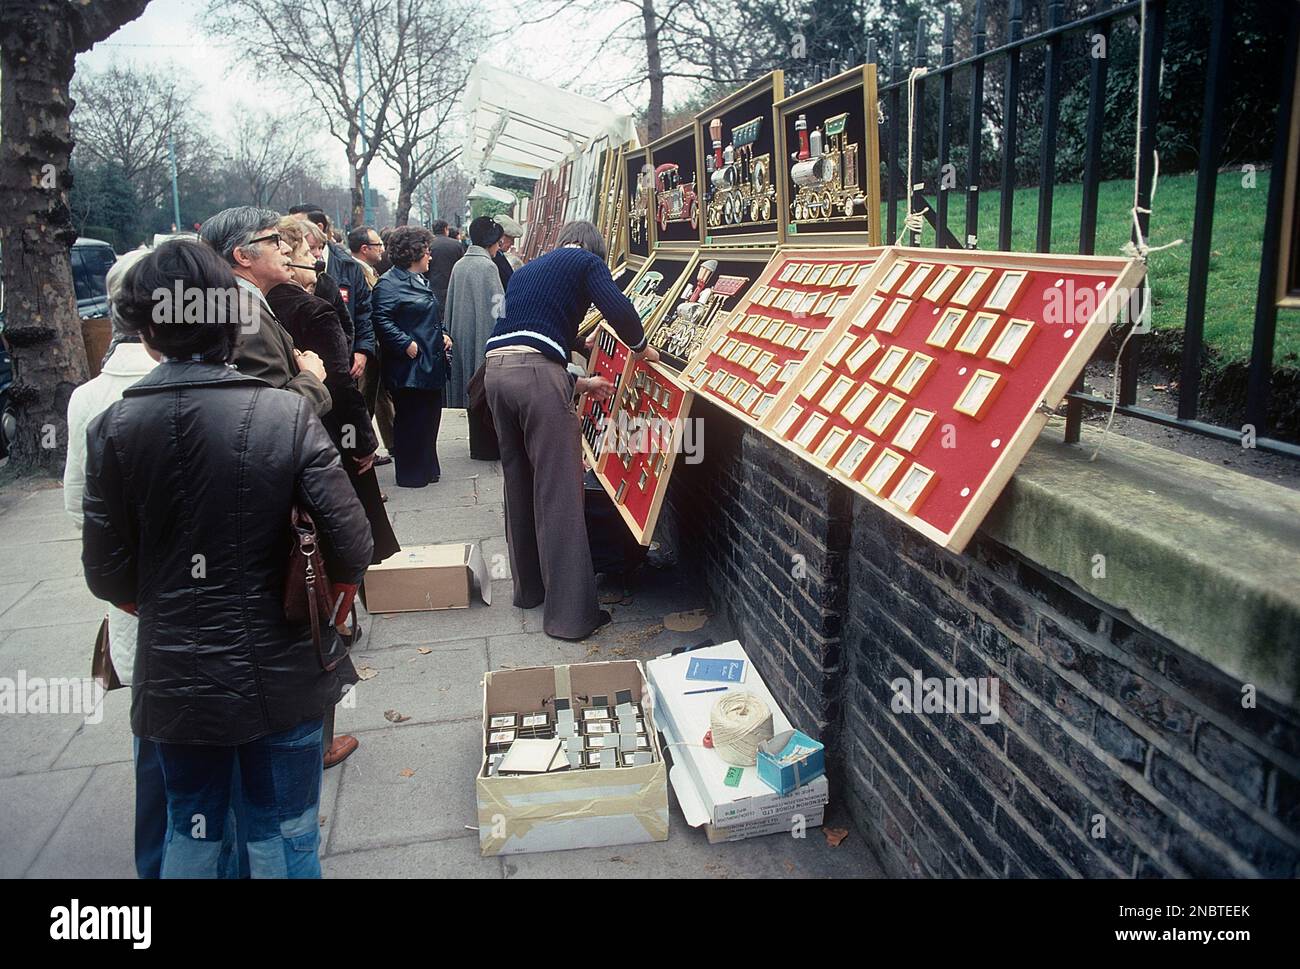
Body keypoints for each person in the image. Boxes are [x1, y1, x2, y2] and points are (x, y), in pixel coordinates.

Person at [81, 240, 372, 878]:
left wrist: (163, 604)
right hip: (283, 664)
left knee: (192, 826)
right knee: (285, 827)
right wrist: (336, 594)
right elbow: (351, 541)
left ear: (147, 330)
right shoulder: (284, 413)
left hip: (175, 674)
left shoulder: (112, 428)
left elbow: (106, 572)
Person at [483, 220, 655, 640]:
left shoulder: (527, 271)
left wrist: (580, 380)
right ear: (592, 250)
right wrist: (639, 345)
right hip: (536, 378)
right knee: (560, 492)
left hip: (495, 374)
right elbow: (618, 307)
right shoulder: (585, 261)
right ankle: (571, 617)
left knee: (518, 482)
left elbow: (532, 336)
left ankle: (530, 590)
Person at [63, 247, 166, 879]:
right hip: (237, 623)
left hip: (142, 611)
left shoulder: (88, 399)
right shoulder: (245, 388)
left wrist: (129, 591)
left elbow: (82, 513)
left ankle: (159, 861)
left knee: (155, 745)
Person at [198, 207, 330, 415]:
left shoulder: (234, 303)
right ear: (243, 256)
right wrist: (312, 378)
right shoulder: (247, 316)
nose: (286, 248)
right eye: (274, 240)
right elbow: (269, 417)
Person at [373, 226, 452, 487]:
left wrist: (443, 333)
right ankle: (411, 473)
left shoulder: (418, 280)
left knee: (429, 417)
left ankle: (427, 467)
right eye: (427, 250)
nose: (430, 255)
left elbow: (429, 315)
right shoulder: (388, 283)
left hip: (428, 362)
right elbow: (380, 318)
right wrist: (405, 343)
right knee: (411, 420)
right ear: (414, 253)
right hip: (410, 366)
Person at [443, 216, 504, 413]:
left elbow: (450, 305)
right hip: (483, 335)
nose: (499, 248)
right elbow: (499, 309)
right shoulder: (488, 267)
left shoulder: (459, 265)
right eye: (498, 242)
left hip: (460, 334)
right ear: (491, 242)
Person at [346, 224, 395, 460]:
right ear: (364, 249)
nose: (382, 250)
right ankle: (362, 451)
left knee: (379, 397)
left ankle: (392, 443)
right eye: (378, 245)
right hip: (364, 350)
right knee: (364, 401)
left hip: (372, 346)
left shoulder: (368, 270)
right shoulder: (355, 273)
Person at [425, 218, 463, 310]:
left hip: (435, 285)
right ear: (446, 229)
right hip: (454, 285)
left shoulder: (429, 245)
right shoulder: (456, 245)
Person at [492, 213, 523, 291]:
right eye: (511, 239)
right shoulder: (494, 256)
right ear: (501, 236)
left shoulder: (499, 254)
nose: (512, 243)